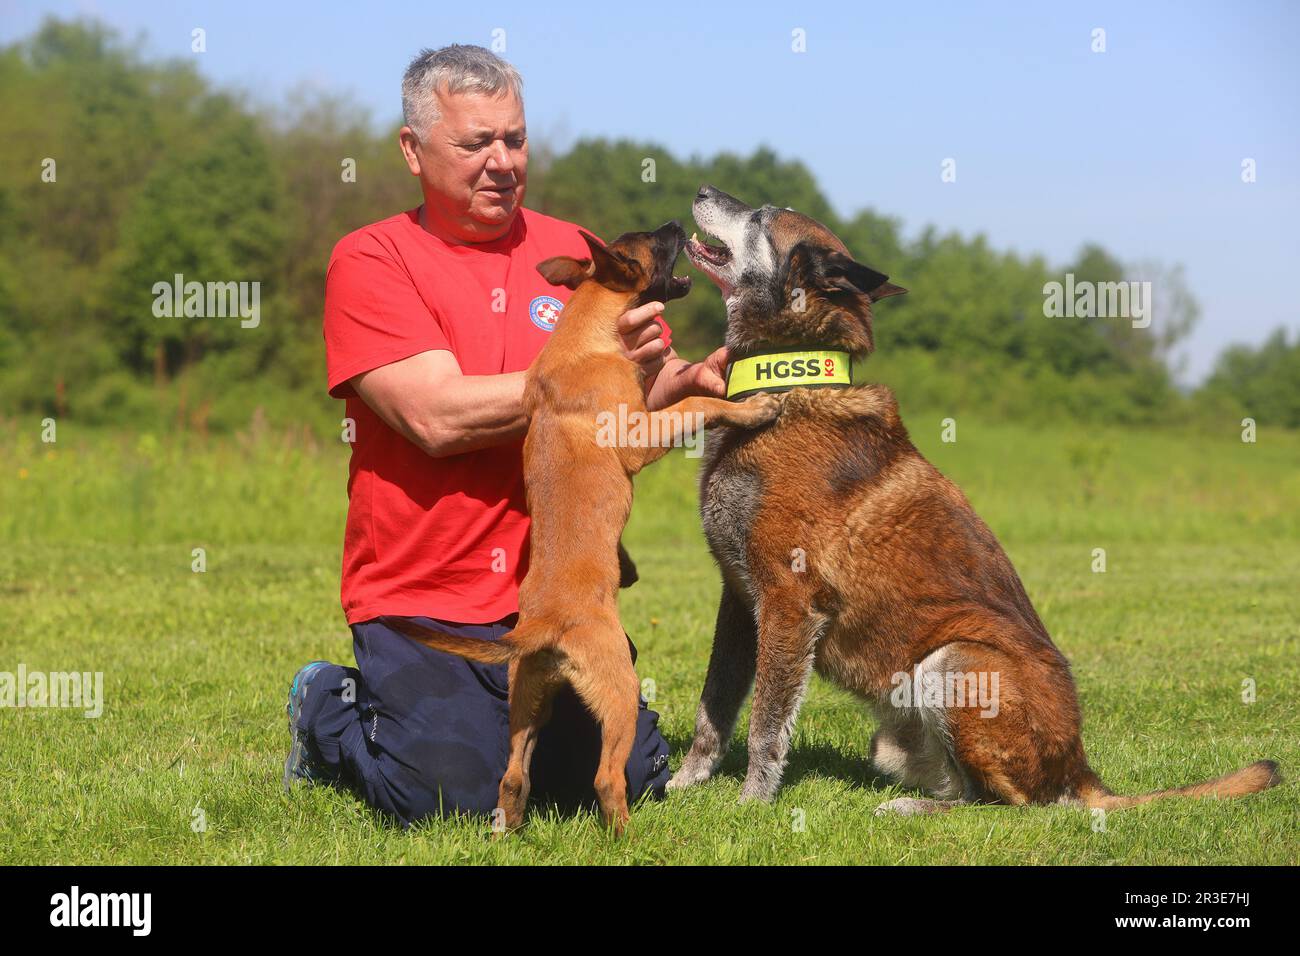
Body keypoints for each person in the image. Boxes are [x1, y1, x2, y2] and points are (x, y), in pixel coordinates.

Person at [282, 44, 732, 826]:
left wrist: (679, 386)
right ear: (412, 150)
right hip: (428, 591)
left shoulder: (572, 248)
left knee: (630, 775)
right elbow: (434, 416)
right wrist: (587, 372)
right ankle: (325, 703)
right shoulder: (372, 259)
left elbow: (603, 429)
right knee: (443, 799)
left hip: (553, 590)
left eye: (514, 140)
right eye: (475, 143)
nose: (501, 161)